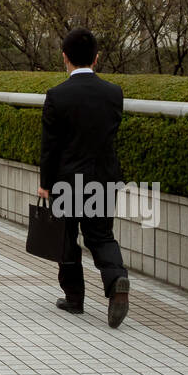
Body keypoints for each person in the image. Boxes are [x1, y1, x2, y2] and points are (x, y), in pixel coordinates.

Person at [36, 27, 131, 328]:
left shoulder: (57, 96)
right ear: (97, 58)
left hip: (66, 181)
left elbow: (50, 146)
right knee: (101, 235)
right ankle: (116, 279)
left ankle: (74, 298)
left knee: (66, 238)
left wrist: (45, 183)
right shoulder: (114, 94)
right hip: (104, 178)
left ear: (64, 57)